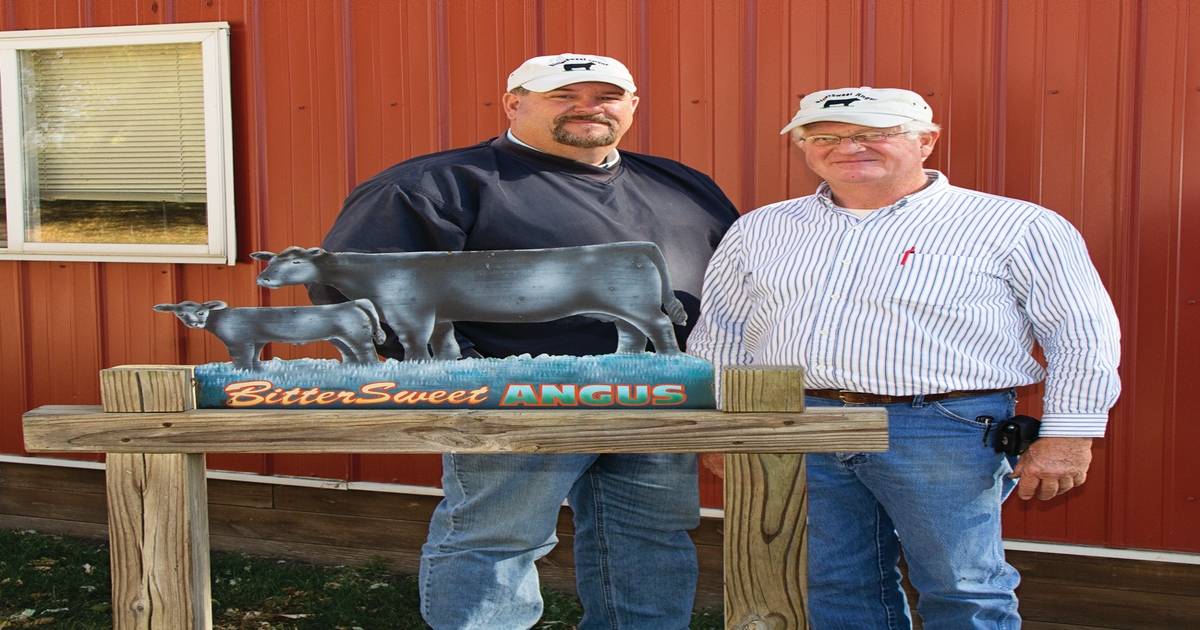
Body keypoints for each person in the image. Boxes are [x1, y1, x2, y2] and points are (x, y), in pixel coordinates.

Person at [310, 53, 738, 630]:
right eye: (564, 95)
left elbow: (736, 285)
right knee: (498, 541)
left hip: (655, 396)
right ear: (514, 103)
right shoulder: (438, 185)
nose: (589, 107)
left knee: (650, 541)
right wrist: (472, 375)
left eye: (606, 95)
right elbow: (354, 286)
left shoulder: (682, 184)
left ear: (632, 106)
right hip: (520, 400)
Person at [687, 87, 1120, 629]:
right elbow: (722, 333)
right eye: (826, 136)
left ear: (926, 142)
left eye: (874, 133)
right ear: (804, 147)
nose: (849, 147)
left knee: (962, 585)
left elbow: (1081, 335)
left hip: (942, 426)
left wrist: (1068, 435)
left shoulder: (1018, 226)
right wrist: (725, 429)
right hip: (799, 424)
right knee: (829, 579)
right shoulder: (762, 228)